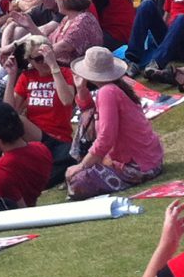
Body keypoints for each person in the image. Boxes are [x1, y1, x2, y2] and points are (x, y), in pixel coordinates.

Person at [65, 46, 165, 197]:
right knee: (87, 118)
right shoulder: (115, 87)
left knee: (77, 183)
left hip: (138, 166)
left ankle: (84, 165)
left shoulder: (107, 92)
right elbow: (90, 113)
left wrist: (82, 166)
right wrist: (81, 89)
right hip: (148, 160)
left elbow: (106, 137)